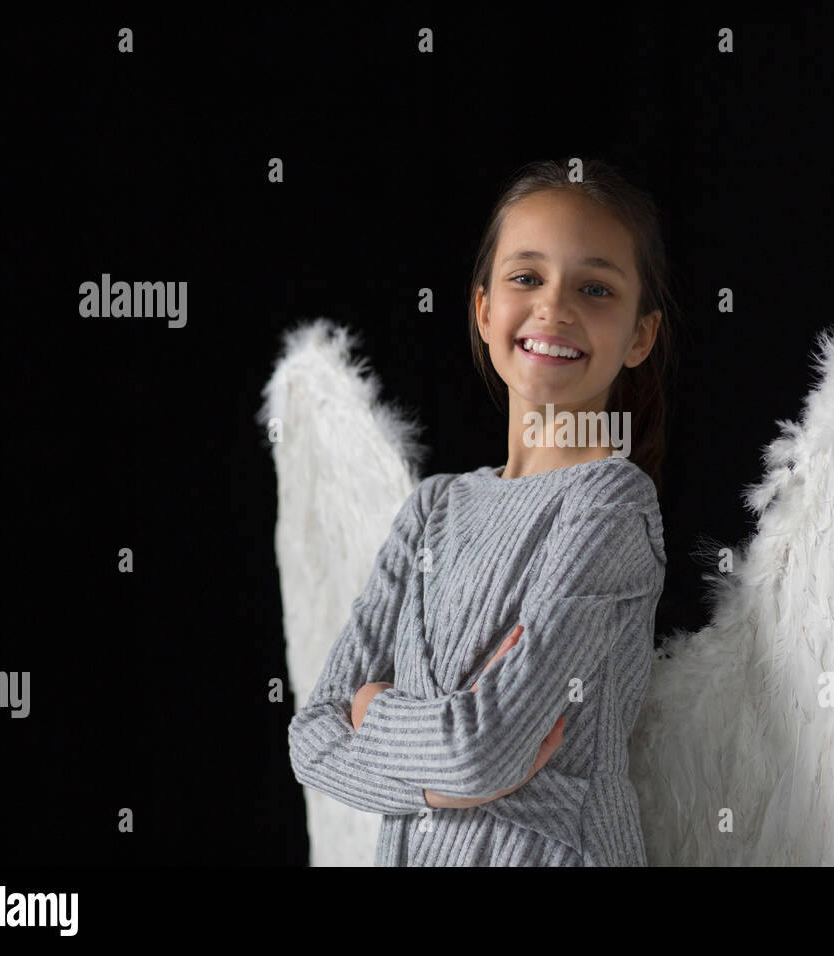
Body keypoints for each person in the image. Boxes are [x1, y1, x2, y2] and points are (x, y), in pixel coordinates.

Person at [287, 158, 677, 865]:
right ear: (483, 309)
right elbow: (312, 738)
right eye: (526, 277)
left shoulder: (611, 504)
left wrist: (376, 711)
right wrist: (448, 781)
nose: (553, 307)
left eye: (594, 288)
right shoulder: (432, 510)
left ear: (640, 336)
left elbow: (484, 749)